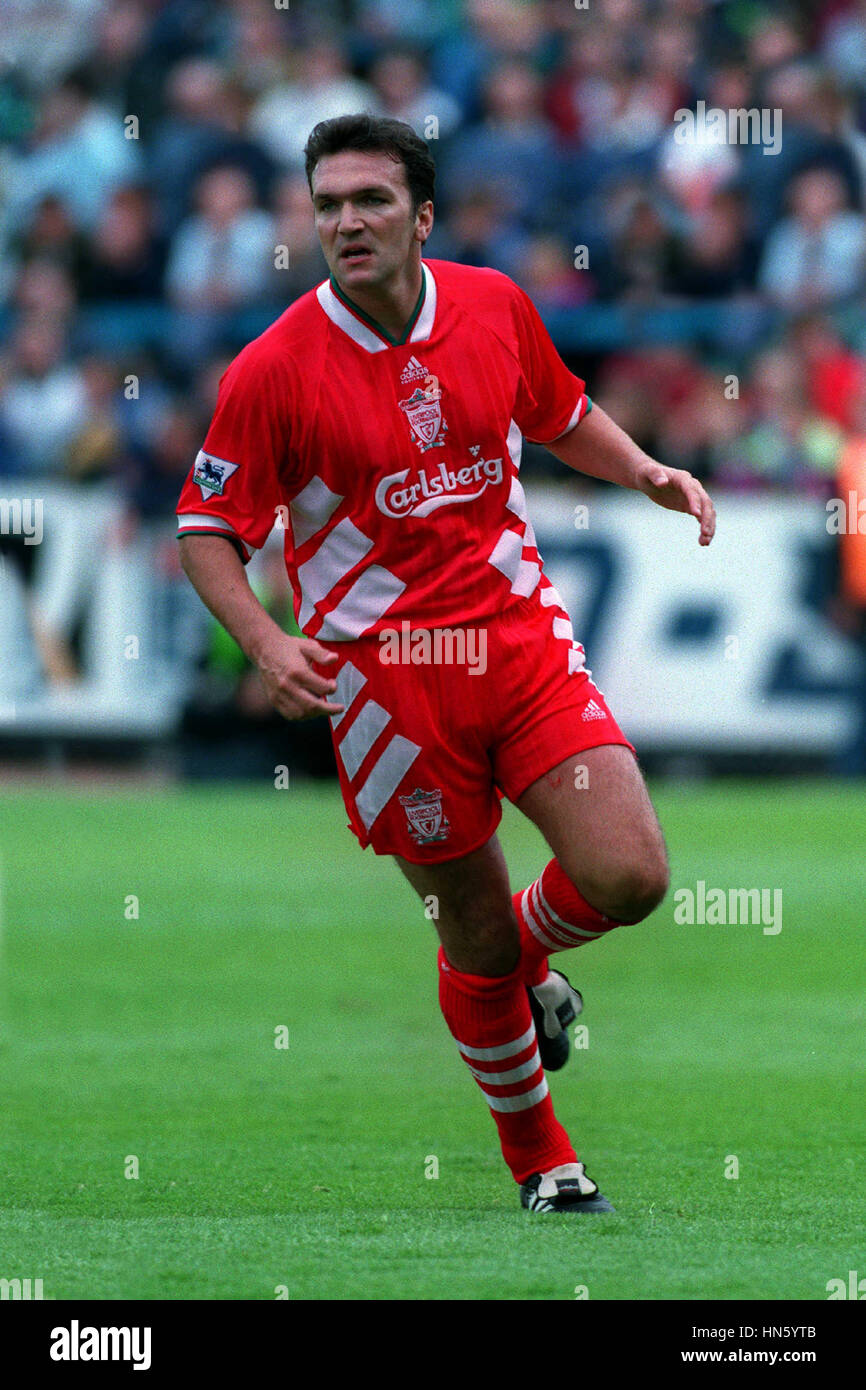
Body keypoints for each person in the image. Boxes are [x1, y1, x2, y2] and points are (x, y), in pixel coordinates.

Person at [176, 114, 716, 1215]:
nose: (345, 222)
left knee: (630, 874)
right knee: (463, 924)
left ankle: (516, 968)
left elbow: (557, 412)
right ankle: (544, 1166)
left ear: (421, 216)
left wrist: (643, 469)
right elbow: (203, 526)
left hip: (516, 641)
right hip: (385, 687)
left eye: (369, 200)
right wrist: (269, 641)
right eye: (326, 204)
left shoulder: (494, 305)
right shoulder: (272, 368)